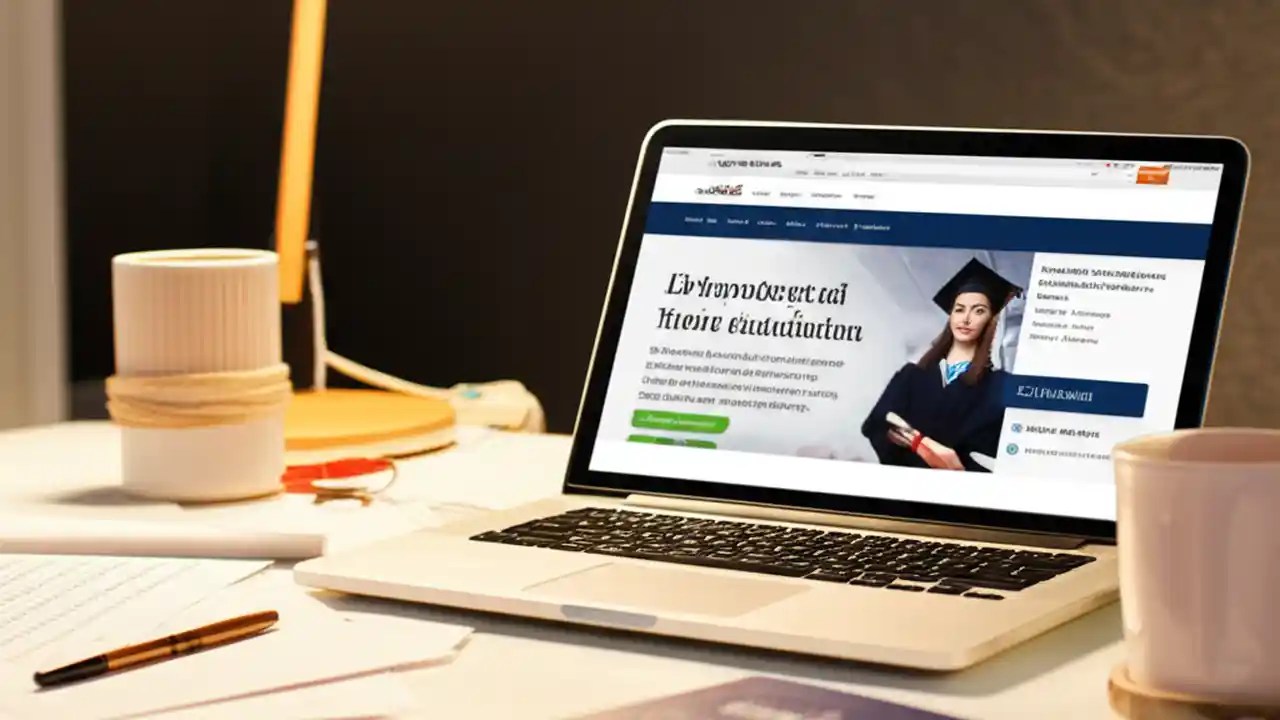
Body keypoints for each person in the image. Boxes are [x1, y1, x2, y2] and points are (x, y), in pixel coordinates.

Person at [860, 258, 1021, 472]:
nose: (966, 318)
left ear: (991, 320)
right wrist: (925, 446)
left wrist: (958, 468)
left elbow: (1005, 456)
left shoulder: (1000, 387)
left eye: (979, 311)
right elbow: (876, 425)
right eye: (960, 309)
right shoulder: (910, 377)